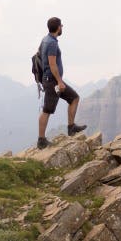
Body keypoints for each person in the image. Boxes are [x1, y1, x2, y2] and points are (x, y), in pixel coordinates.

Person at [37, 17, 86, 149]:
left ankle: (71, 127)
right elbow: (52, 64)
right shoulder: (52, 43)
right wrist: (59, 81)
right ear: (58, 27)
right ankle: (41, 140)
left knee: (74, 98)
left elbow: (40, 57)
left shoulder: (45, 40)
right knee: (47, 110)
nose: (62, 27)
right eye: (61, 25)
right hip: (53, 81)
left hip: (51, 80)